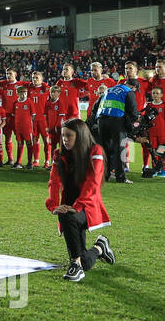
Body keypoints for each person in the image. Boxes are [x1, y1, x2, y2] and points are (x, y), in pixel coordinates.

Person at [45, 119, 115, 282]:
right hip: (71, 207)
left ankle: (75, 265)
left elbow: (93, 182)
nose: (65, 139)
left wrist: (76, 206)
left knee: (66, 215)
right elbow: (54, 182)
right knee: (86, 261)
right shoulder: (58, 154)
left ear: (81, 136)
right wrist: (54, 205)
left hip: (87, 207)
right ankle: (99, 248)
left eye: (69, 136)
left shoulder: (94, 151)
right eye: (63, 136)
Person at [94, 76, 139, 184]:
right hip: (117, 121)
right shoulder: (129, 92)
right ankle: (120, 177)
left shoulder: (109, 89)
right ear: (133, 87)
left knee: (105, 149)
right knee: (120, 150)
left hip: (102, 121)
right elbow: (133, 111)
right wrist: (131, 124)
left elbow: (95, 106)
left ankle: (105, 175)